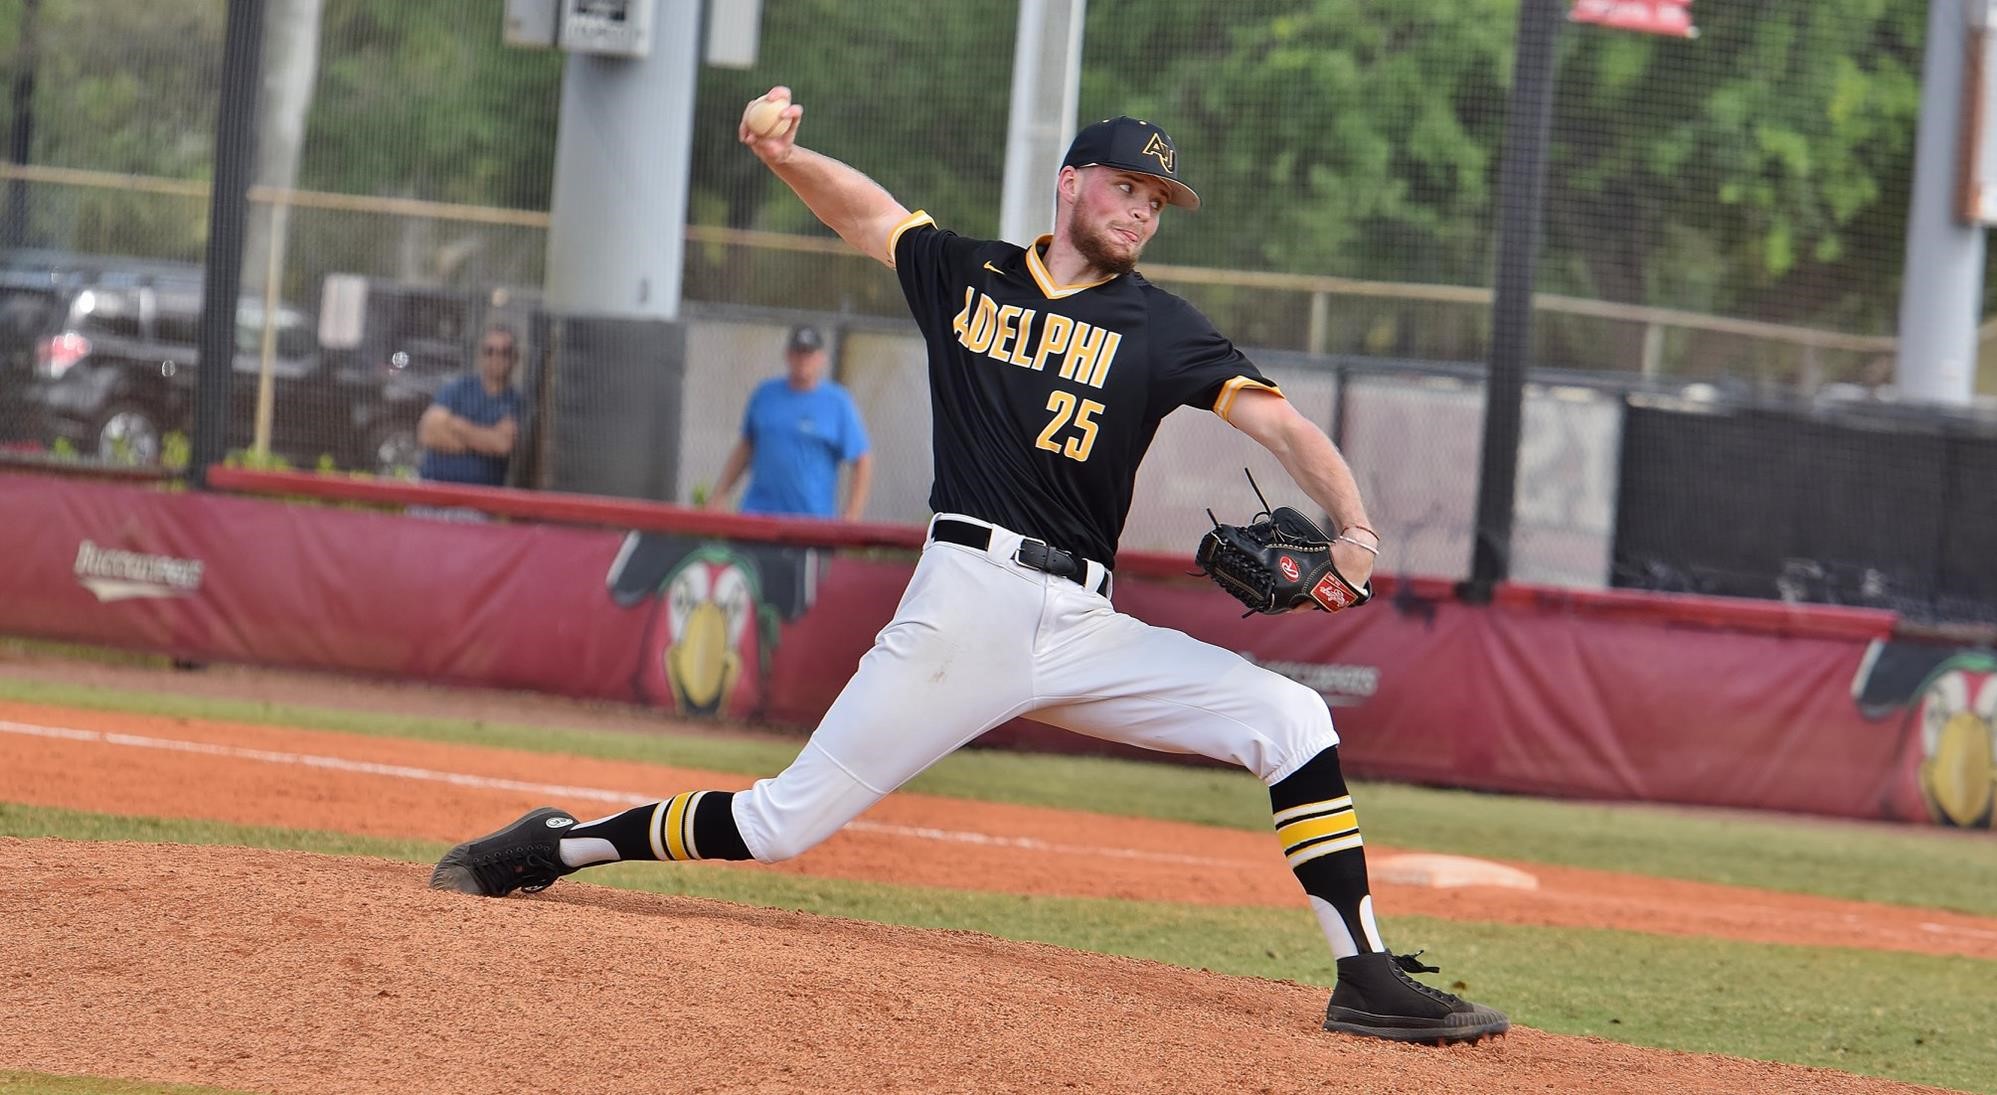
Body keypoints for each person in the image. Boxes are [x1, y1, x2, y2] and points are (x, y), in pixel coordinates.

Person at [431, 88, 1509, 1045]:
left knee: (1292, 719)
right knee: (778, 822)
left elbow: (1279, 426)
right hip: (966, 603)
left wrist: (1354, 527)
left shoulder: (1158, 327)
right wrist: (783, 157)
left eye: (1155, 202)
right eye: (1126, 187)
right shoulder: (969, 276)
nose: (1140, 211)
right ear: (1071, 182)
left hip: (1085, 625)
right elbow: (867, 214)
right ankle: (560, 845)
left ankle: (1364, 977)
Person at [705, 324, 874, 519]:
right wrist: (720, 494)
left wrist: (852, 513)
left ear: (822, 358)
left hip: (811, 522)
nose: (803, 360)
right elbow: (746, 446)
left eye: (809, 354)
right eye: (798, 353)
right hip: (758, 516)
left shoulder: (838, 403)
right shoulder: (765, 395)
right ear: (787, 355)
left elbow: (862, 460)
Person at [416, 324, 523, 486]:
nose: (496, 357)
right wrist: (481, 443)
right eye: (489, 351)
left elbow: (502, 444)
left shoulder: (515, 401)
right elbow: (428, 433)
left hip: (479, 495)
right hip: (435, 488)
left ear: (515, 358)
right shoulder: (458, 387)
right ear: (481, 355)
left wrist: (456, 425)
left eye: (504, 352)